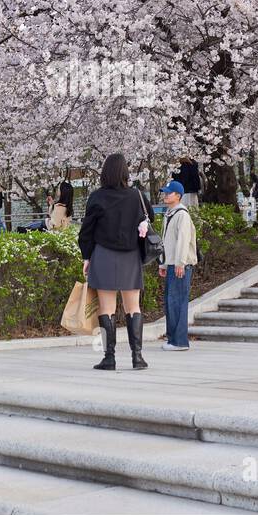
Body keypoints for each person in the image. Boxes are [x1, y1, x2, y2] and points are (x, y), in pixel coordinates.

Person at [78, 153, 150, 370]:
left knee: (106, 308)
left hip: (103, 255)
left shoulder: (97, 197)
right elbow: (149, 219)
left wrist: (86, 256)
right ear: (125, 172)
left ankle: (109, 358)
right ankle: (137, 357)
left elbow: (86, 232)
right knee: (133, 307)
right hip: (130, 256)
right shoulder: (136, 196)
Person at [157, 180, 197, 352]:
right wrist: (163, 263)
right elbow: (166, 241)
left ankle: (179, 341)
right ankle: (172, 338)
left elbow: (183, 240)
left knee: (178, 302)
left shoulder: (182, 215)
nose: (166, 195)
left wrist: (180, 262)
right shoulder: (170, 213)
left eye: (169, 193)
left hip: (181, 264)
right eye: (165, 192)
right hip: (172, 263)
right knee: (170, 301)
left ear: (178, 196)